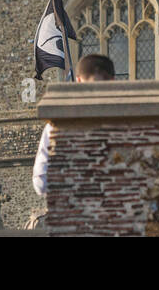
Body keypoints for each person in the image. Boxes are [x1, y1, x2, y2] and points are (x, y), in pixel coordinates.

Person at [32, 53, 116, 199]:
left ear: (78, 80)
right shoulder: (132, 122)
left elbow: (41, 181)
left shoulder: (57, 125)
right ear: (113, 81)